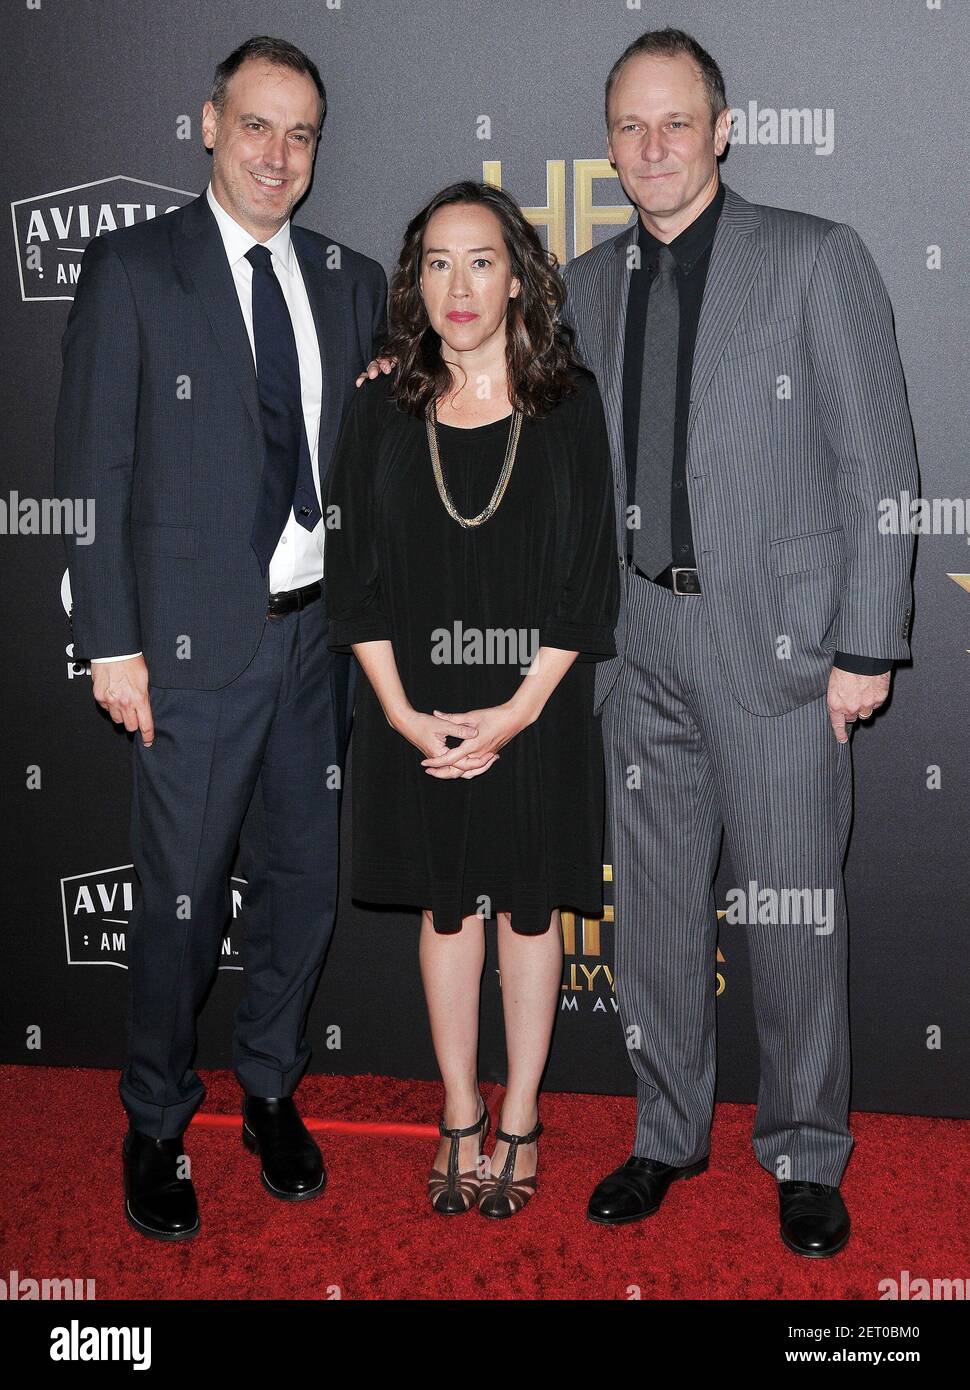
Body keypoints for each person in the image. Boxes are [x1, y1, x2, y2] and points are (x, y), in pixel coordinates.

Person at [561, 29, 917, 1255]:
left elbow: (880, 467)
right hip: (637, 637)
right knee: (652, 916)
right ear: (606, 142)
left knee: (793, 915)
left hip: (780, 650)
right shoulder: (586, 284)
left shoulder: (816, 259)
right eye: (626, 125)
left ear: (722, 129)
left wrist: (866, 643)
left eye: (674, 122)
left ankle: (806, 1150)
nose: (650, 148)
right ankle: (665, 1132)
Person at [53, 35, 387, 1240]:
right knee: (181, 903)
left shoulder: (351, 281)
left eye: (300, 133)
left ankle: (271, 1092)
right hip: (188, 654)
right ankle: (153, 1119)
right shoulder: (134, 268)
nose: (277, 154)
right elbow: (91, 471)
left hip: (315, 649)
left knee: (300, 891)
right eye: (256, 125)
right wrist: (111, 641)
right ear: (207, 124)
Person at [322, 181, 620, 1218]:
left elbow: (591, 580)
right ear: (415, 281)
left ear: (518, 276)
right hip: (418, 711)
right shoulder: (378, 404)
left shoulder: (569, 403)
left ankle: (522, 1113)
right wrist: (404, 717)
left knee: (528, 914)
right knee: (450, 911)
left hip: (534, 709)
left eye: (481, 259)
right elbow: (350, 574)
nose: (459, 283)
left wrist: (521, 710)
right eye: (437, 262)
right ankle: (457, 1111)